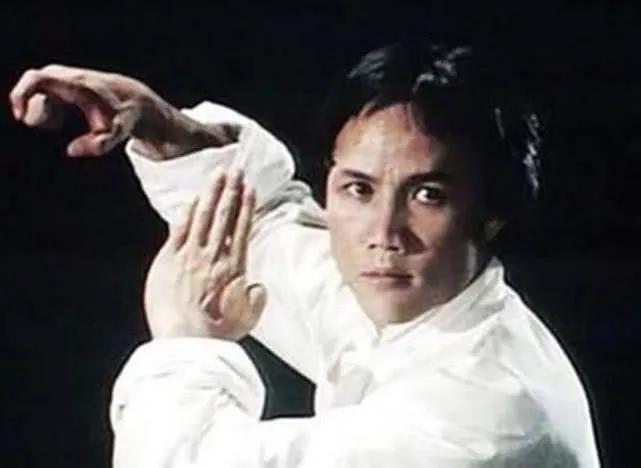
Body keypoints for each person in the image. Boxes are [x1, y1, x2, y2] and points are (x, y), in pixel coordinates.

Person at [10, 40, 601, 467]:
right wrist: (167, 130)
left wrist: (187, 346)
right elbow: (266, 231)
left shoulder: (489, 419)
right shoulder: (427, 306)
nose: (384, 233)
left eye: (428, 195)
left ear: (494, 212)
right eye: (359, 189)